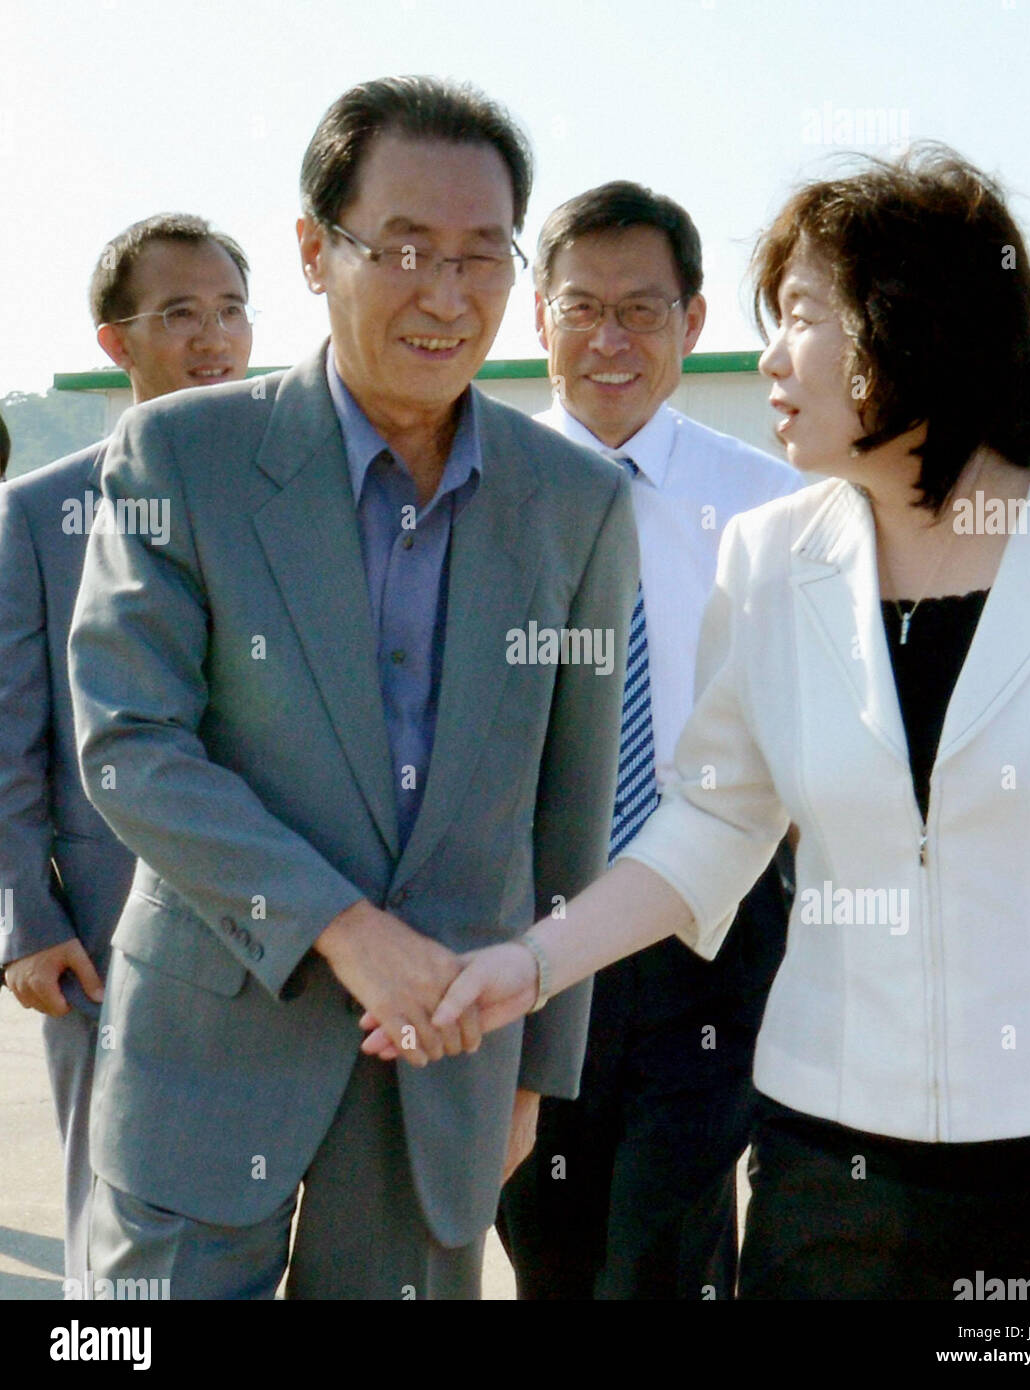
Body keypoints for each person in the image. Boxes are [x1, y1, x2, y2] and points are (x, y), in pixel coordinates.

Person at [386, 145, 1030, 1300]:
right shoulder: (776, 555)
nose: (766, 358)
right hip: (834, 1164)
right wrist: (526, 968)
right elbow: (711, 823)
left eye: (797, 317)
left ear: (908, 321)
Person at [68, 76, 637, 1300]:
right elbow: (130, 743)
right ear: (314, 252)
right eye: (405, 249)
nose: (446, 295)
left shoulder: (577, 503)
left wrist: (534, 1072)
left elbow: (569, 809)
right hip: (202, 1062)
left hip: (444, 1072)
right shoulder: (181, 455)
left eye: (482, 256)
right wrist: (342, 927)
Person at [498, 180, 798, 1300]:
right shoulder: (472, 492)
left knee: (666, 1252)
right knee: (550, 1247)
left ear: (693, 324)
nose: (609, 340)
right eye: (581, 309)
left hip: (710, 927)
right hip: (527, 924)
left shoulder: (771, 509)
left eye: (642, 309)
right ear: (538, 320)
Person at [0, 213, 253, 1286]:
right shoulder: (39, 516)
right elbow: (9, 743)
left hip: (294, 943)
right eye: (180, 314)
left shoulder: (305, 502)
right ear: (116, 341)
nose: (215, 340)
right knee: (115, 1228)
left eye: (233, 311)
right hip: (101, 948)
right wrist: (27, 921)